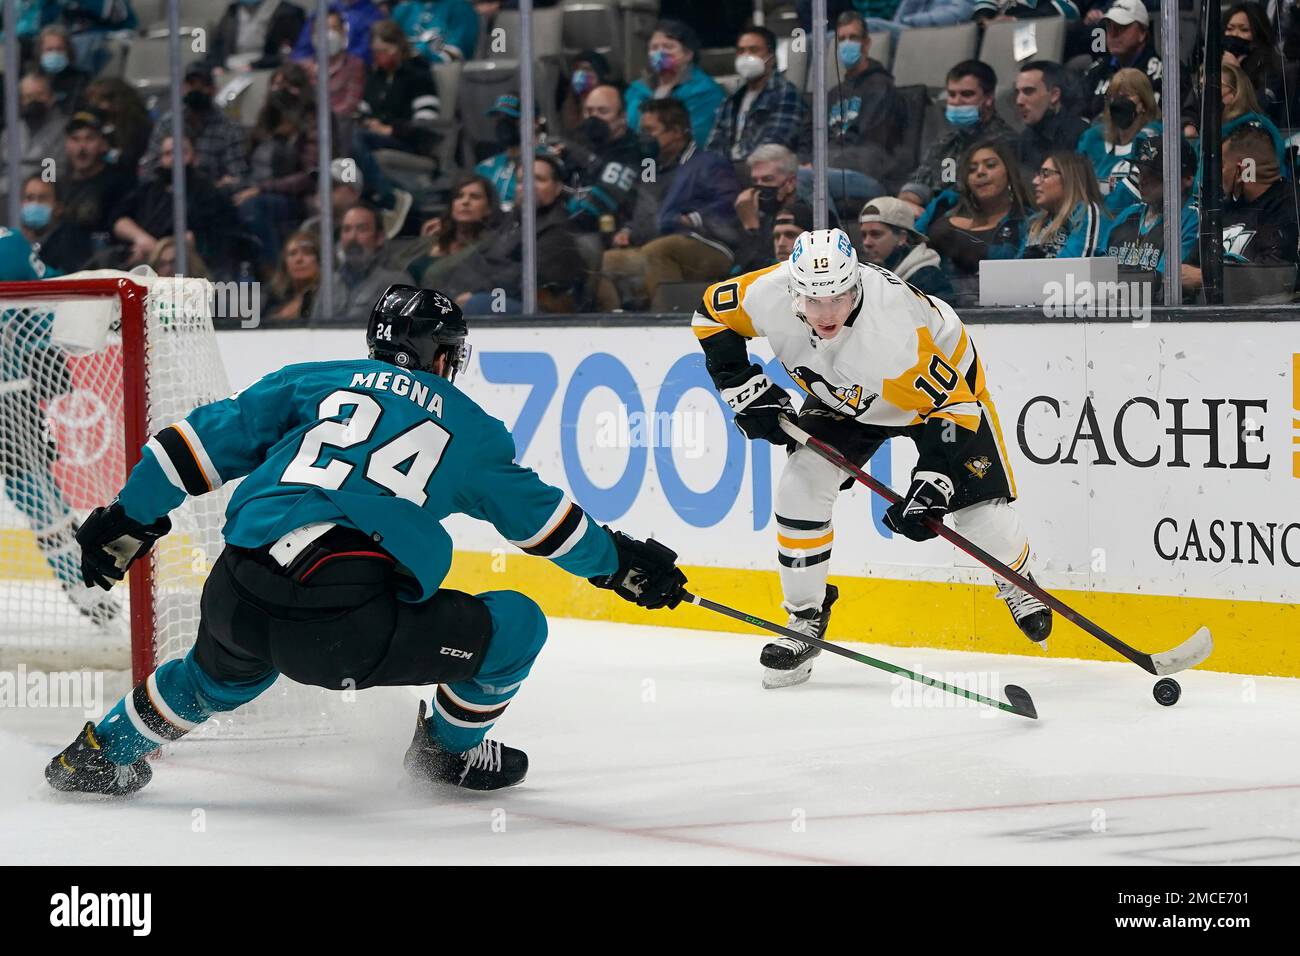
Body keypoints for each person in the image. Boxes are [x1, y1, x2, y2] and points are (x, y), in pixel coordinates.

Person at [47, 284, 689, 795]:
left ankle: (96, 757)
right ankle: (448, 754)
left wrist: (127, 518)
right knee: (516, 623)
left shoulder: (311, 380)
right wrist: (622, 566)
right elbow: (551, 528)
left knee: (213, 678)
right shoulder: (469, 427)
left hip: (237, 588)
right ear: (443, 356)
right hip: (342, 626)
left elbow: (184, 450)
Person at [691, 227, 1051, 689]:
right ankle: (804, 620)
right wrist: (742, 387)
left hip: (937, 400)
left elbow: (956, 408)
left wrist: (934, 483)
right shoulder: (768, 293)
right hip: (845, 396)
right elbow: (709, 315)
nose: (825, 314)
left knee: (980, 518)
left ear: (856, 284)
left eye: (838, 298)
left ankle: (1017, 579)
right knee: (800, 487)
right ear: (793, 287)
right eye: (813, 300)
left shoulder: (893, 332)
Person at [596, 97, 741, 311]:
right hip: (654, 245)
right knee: (609, 260)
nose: (642, 137)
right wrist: (629, 230)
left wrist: (690, 219)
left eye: (650, 130)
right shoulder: (650, 166)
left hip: (709, 245)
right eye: (641, 130)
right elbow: (639, 209)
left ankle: (667, 319)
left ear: (676, 132)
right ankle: (618, 324)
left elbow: (729, 203)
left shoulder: (709, 163)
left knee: (659, 250)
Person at [447, 155, 585, 314]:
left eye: (539, 179)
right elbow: (478, 260)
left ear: (557, 188)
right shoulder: (509, 222)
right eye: (521, 181)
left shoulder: (559, 230)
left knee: (478, 304)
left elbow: (525, 276)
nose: (528, 186)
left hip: (536, 312)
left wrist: (474, 292)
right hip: (493, 295)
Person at [1184, 125, 1299, 293]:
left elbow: (1276, 275)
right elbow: (1189, 266)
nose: (1218, 174)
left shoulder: (1289, 206)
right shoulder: (1224, 209)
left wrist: (1205, 278)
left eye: (1222, 166)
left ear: (1242, 170)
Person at [918, 138, 1032, 304]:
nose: (980, 172)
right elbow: (913, 243)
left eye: (990, 165)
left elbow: (1020, 277)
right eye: (972, 169)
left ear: (1008, 172)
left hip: (995, 311)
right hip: (935, 308)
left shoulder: (1027, 222)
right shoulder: (945, 204)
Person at [898, 61, 1015, 215]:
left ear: (988, 98)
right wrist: (908, 202)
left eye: (966, 94)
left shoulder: (1006, 143)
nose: (956, 102)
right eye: (952, 95)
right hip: (935, 220)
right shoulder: (947, 142)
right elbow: (919, 181)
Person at [111, 135, 237, 272]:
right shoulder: (147, 189)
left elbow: (212, 236)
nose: (174, 158)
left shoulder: (208, 193)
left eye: (181, 152)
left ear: (195, 158)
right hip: (143, 257)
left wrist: (159, 249)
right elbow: (119, 219)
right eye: (167, 154)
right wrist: (141, 239)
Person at [235, 74, 322, 269]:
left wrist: (262, 188)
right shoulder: (264, 126)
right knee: (218, 198)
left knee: (253, 206)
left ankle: (275, 270)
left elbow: (310, 176)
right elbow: (250, 163)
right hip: (256, 186)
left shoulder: (309, 127)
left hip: (292, 195)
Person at [823, 10, 905, 201]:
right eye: (842, 39)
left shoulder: (881, 87)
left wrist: (822, 161)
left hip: (867, 174)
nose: (846, 44)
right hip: (832, 169)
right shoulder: (833, 93)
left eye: (853, 37)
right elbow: (811, 137)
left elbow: (870, 145)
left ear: (866, 44)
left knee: (804, 181)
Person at [1106, 137, 1199, 299]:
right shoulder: (1128, 214)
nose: (1142, 180)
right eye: (1140, 171)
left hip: (1163, 317)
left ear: (1187, 179)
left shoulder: (1192, 216)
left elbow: (1162, 280)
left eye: (1155, 173)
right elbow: (1098, 270)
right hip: (1116, 309)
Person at [141, 65, 250, 197]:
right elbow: (150, 170)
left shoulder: (229, 128)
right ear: (183, 88)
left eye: (203, 85)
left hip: (212, 197)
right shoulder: (168, 123)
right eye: (192, 84)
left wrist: (213, 187)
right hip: (169, 195)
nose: (196, 90)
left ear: (213, 90)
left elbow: (238, 178)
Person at [706, 25, 805, 161]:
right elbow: (714, 145)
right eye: (741, 51)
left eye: (754, 50)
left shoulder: (785, 94)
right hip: (727, 173)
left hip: (761, 171)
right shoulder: (732, 100)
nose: (746, 56)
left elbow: (774, 146)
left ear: (772, 57)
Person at [625, 20, 726, 149]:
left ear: (688, 54)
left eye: (668, 47)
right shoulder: (636, 90)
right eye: (654, 48)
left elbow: (697, 138)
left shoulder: (705, 91)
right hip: (642, 162)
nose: (660, 53)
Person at [1077, 67, 1160, 215]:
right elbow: (1075, 190)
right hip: (1089, 221)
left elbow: (1129, 197)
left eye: (1126, 96)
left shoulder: (1152, 139)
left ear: (1142, 103)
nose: (1118, 102)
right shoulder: (1092, 139)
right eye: (1113, 97)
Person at [565, 85, 645, 235]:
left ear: (623, 117)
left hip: (608, 233)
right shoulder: (577, 144)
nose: (594, 117)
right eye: (589, 111)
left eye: (603, 111)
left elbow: (596, 206)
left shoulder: (637, 151)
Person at [313, 204, 413, 321]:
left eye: (362, 229)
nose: (352, 237)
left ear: (379, 238)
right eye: (346, 229)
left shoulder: (397, 283)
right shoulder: (330, 283)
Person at [408, 175, 502, 290]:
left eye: (475, 197)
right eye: (459, 196)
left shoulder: (490, 247)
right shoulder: (433, 238)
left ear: (489, 208)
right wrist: (423, 242)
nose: (465, 202)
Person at [60, 110, 138, 238]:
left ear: (103, 145)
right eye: (75, 139)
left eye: (89, 138)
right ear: (66, 145)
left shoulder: (121, 184)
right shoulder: (59, 185)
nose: (81, 147)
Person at [1079, 0, 1162, 120]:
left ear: (1142, 33)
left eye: (1121, 27)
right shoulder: (1096, 71)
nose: (1113, 34)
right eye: (1109, 26)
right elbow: (1079, 114)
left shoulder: (1165, 74)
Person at [857, 196, 954, 298]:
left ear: (902, 238)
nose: (866, 242)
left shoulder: (928, 280)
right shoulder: (866, 275)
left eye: (876, 234)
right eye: (863, 235)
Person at [1024, 152, 1110, 258]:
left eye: (1045, 174)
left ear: (1070, 178)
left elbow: (1074, 268)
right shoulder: (1037, 223)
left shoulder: (1087, 213)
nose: (1035, 181)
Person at [1014, 60, 1088, 180]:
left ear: (1054, 95)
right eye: (1017, 92)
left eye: (1028, 91)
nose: (1019, 101)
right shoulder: (1024, 139)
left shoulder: (1082, 137)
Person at [0, 74, 67, 205]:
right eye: (28, 96)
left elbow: (53, 171)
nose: (33, 101)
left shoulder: (63, 128)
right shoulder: (11, 130)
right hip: (4, 193)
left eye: (40, 95)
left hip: (40, 195)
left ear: (51, 97)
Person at [301, 8, 368, 121]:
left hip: (340, 128)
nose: (328, 35)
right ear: (313, 35)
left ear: (343, 32)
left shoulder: (354, 65)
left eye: (334, 28)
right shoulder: (303, 68)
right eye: (322, 30)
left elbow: (350, 105)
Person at [16, 174, 91, 275]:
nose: (35, 204)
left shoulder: (70, 243)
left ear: (58, 208)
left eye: (42, 199)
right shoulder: (18, 244)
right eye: (30, 198)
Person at [204, 0, 307, 72]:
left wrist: (255, 66)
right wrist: (217, 66)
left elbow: (292, 54)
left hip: (267, 70)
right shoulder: (232, 11)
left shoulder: (289, 13)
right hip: (230, 69)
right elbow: (215, 49)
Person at [82, 77, 153, 173]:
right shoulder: (96, 122)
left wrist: (106, 152)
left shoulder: (137, 127)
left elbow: (127, 159)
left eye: (99, 101)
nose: (94, 106)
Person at [293, 0, 384, 64]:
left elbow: (364, 56)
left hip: (350, 77)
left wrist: (337, 62)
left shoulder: (373, 18)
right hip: (315, 73)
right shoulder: (323, 11)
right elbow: (301, 51)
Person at [391, 0, 478, 63]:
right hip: (404, 77)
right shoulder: (402, 10)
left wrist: (421, 56)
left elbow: (458, 52)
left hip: (443, 78)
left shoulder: (460, 7)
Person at [33, 24, 91, 114]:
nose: (55, 53)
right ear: (40, 51)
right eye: (49, 49)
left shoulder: (81, 78)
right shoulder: (31, 79)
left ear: (68, 51)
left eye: (60, 49)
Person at [267, 230, 323, 320]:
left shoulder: (327, 299)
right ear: (285, 263)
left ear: (320, 260)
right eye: (292, 253)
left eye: (307, 253)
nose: (299, 259)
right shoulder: (273, 299)